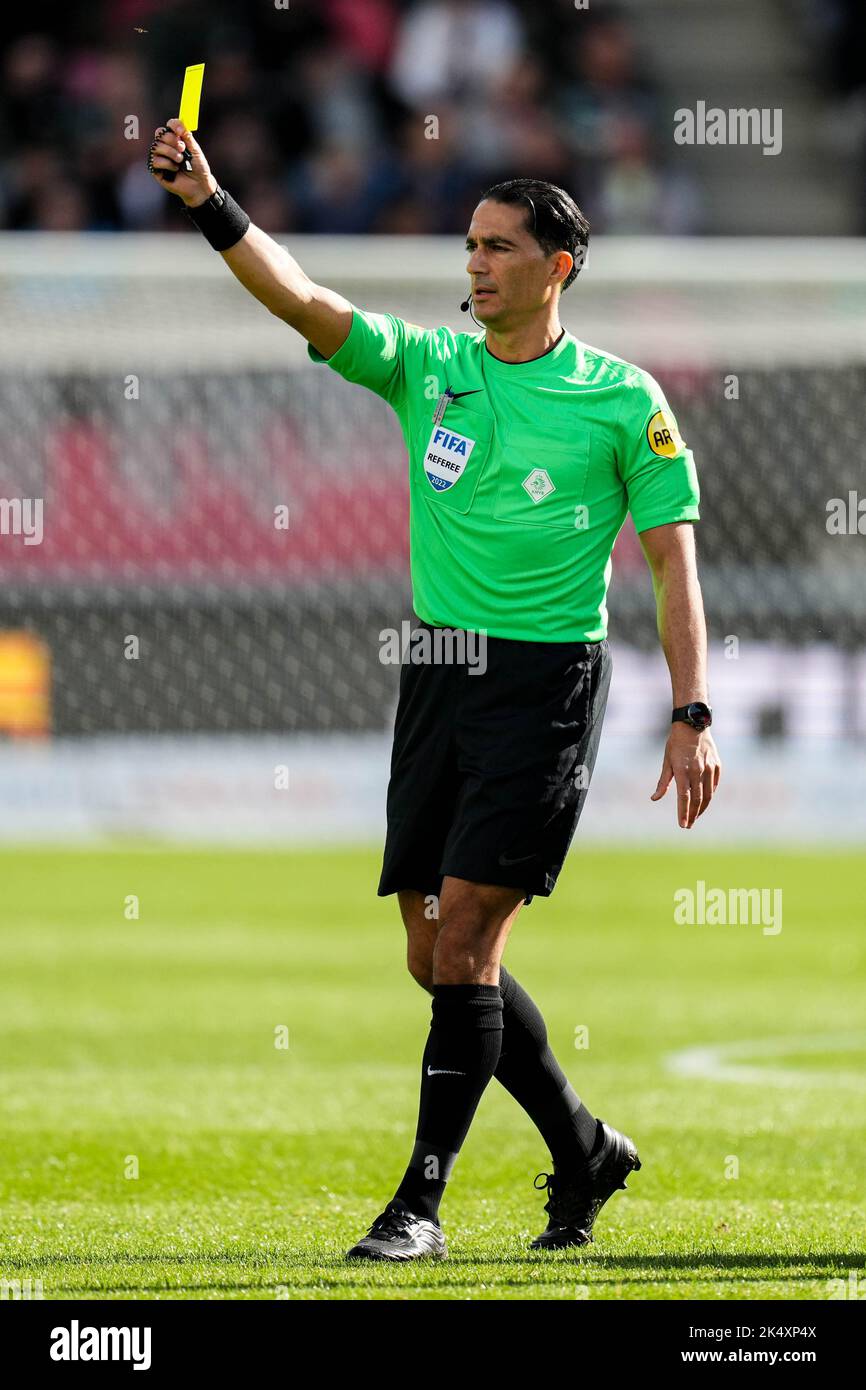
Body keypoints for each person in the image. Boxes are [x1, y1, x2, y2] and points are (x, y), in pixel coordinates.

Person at [148, 120, 721, 1261]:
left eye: (497, 247)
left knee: (465, 934)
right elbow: (303, 300)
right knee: (434, 954)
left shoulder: (621, 401)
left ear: (556, 266)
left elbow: (670, 564)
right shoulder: (429, 368)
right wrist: (212, 201)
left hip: (545, 684)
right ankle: (583, 1148)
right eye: (468, 245)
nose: (473, 265)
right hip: (435, 672)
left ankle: (418, 1203)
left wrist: (690, 712)